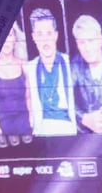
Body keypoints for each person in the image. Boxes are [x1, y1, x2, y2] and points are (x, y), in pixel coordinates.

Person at [25, 8, 77, 136]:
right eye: (40, 34)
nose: (45, 40)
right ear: (34, 37)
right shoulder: (30, 68)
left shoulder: (69, 62)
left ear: (56, 35)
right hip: (42, 130)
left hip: (69, 128)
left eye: (48, 33)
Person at [0, 22, 33, 142]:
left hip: (25, 126)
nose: (6, 41)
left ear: (15, 39)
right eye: (3, 37)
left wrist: (32, 122)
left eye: (9, 36)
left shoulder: (24, 65)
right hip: (3, 128)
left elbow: (29, 97)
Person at [70, 14, 102, 134]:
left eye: (91, 41)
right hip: (88, 136)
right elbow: (63, 98)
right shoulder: (75, 64)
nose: (87, 48)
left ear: (100, 39)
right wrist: (84, 118)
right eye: (82, 43)